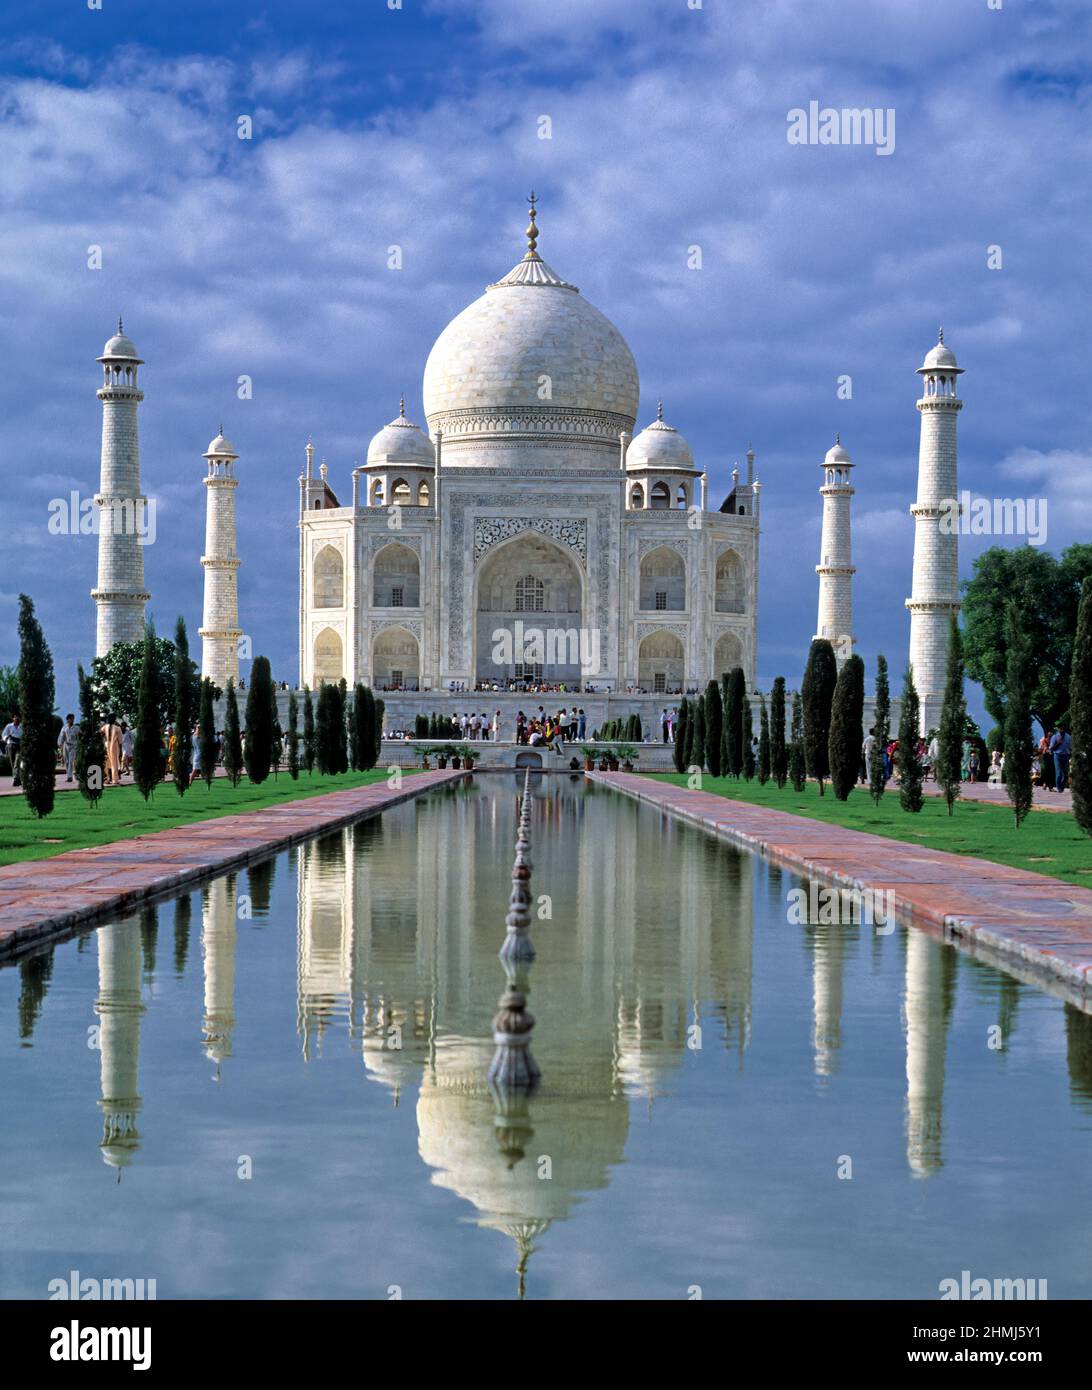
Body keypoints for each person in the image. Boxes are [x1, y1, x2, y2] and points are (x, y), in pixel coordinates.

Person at [100, 714, 122, 786]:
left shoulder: (105, 727)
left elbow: (100, 733)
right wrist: (121, 750)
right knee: (114, 763)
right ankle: (115, 780)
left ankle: (107, 779)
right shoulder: (117, 728)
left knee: (106, 763)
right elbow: (120, 741)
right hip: (114, 746)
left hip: (107, 745)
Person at [2, 713, 22, 786]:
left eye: (18, 717)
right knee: (13, 763)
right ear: (13, 718)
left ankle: (16, 779)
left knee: (17, 761)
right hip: (11, 745)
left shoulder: (22, 726)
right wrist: (6, 738)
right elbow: (4, 734)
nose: (17, 718)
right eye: (15, 717)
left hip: (19, 745)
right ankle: (17, 779)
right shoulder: (9, 726)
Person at [58, 712, 77, 782]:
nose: (72, 720)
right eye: (71, 719)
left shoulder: (76, 728)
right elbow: (61, 736)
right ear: (68, 720)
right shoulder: (64, 728)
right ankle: (68, 775)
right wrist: (60, 744)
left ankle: (69, 777)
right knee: (66, 761)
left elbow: (80, 736)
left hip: (73, 746)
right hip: (66, 746)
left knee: (71, 761)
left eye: (73, 719)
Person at [1051, 727, 1072, 792]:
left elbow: (1071, 747)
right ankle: (1059, 788)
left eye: (1063, 728)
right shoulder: (1054, 737)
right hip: (1057, 756)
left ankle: (1062, 786)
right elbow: (1052, 749)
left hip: (1066, 756)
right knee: (1059, 773)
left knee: (1066, 774)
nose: (1062, 730)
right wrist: (1058, 743)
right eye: (1060, 728)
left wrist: (1071, 754)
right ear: (1058, 729)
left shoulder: (1068, 737)